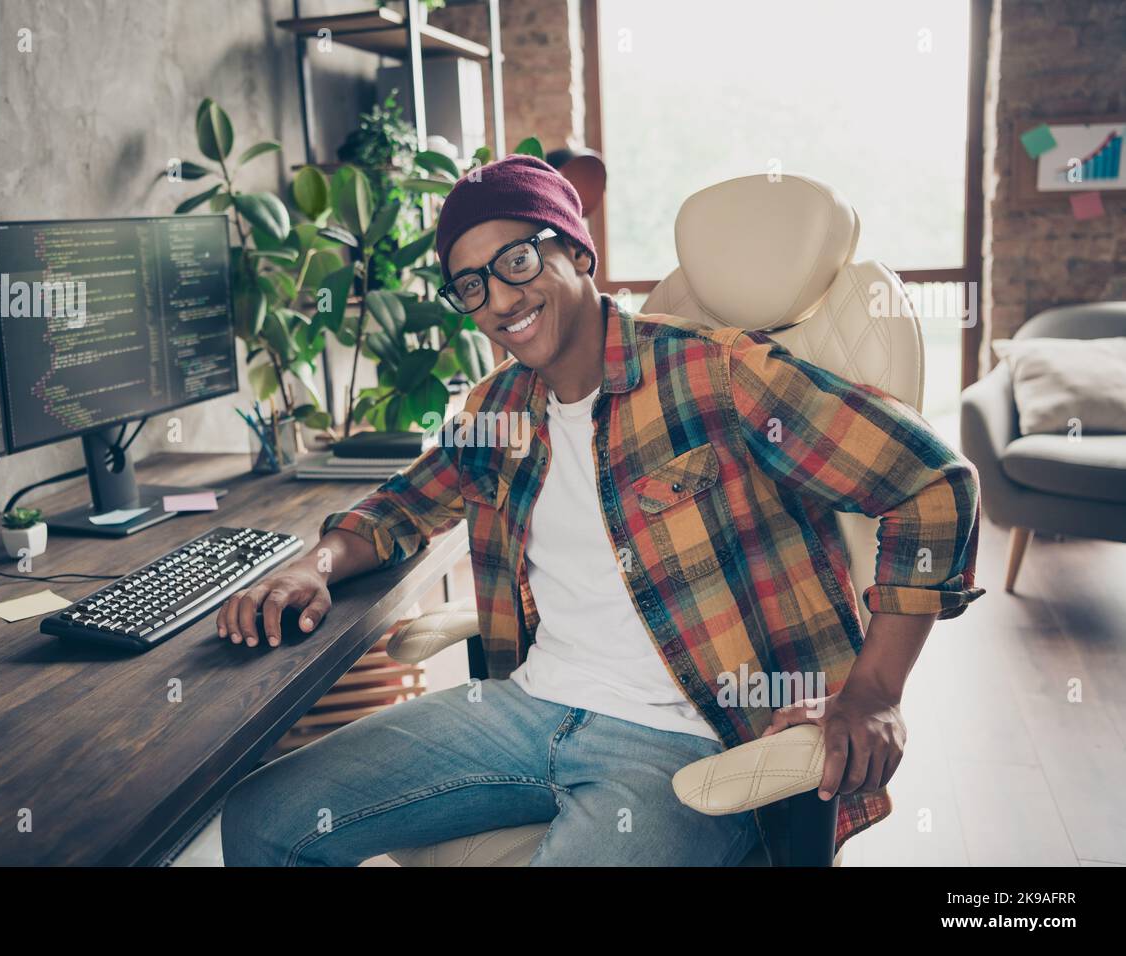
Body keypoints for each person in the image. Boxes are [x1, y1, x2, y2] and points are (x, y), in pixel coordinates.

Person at [216, 154, 985, 866]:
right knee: (264, 819)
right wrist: (313, 568)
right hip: (528, 709)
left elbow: (934, 483)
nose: (501, 298)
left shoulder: (717, 374)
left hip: (688, 742)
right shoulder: (500, 410)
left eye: (517, 261)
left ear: (577, 253)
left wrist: (876, 691)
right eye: (471, 286)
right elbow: (401, 508)